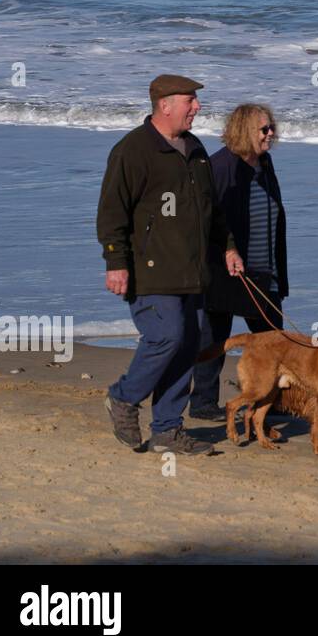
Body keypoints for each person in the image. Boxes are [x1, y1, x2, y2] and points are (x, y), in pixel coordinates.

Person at [98, 74, 244, 454]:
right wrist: (116, 262)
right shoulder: (132, 150)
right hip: (149, 267)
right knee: (167, 336)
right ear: (165, 105)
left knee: (187, 345)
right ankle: (124, 398)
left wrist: (227, 246)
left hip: (193, 270)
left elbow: (210, 209)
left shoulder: (194, 148)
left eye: (195, 101)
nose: (197, 108)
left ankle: (167, 430)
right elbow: (112, 212)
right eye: (190, 101)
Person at [189, 103, 289, 420]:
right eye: (264, 129)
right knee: (216, 340)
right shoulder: (221, 168)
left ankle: (273, 402)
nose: (271, 133)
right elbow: (204, 222)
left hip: (264, 273)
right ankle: (203, 404)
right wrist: (226, 254)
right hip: (227, 272)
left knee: (275, 341)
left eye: (271, 126)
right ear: (245, 130)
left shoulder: (265, 164)